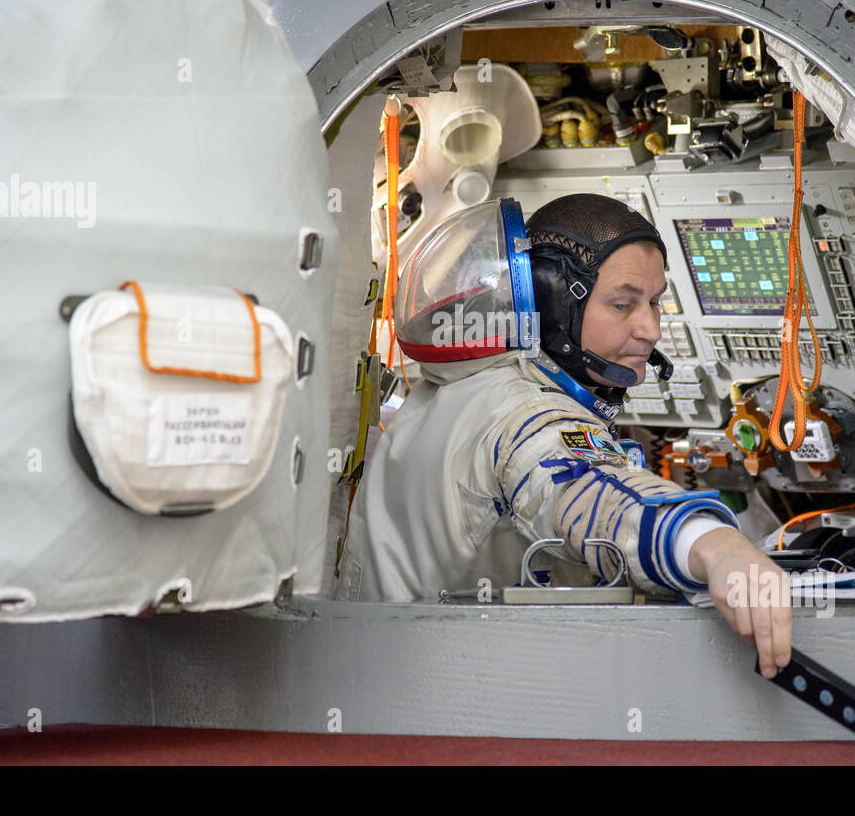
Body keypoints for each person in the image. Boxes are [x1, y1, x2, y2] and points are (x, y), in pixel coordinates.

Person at [335, 193, 792, 677]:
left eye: (655, 303)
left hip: (380, 675)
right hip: (441, 698)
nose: (651, 329)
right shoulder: (524, 415)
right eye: (623, 304)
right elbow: (583, 487)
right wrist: (714, 546)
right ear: (553, 303)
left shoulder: (462, 388)